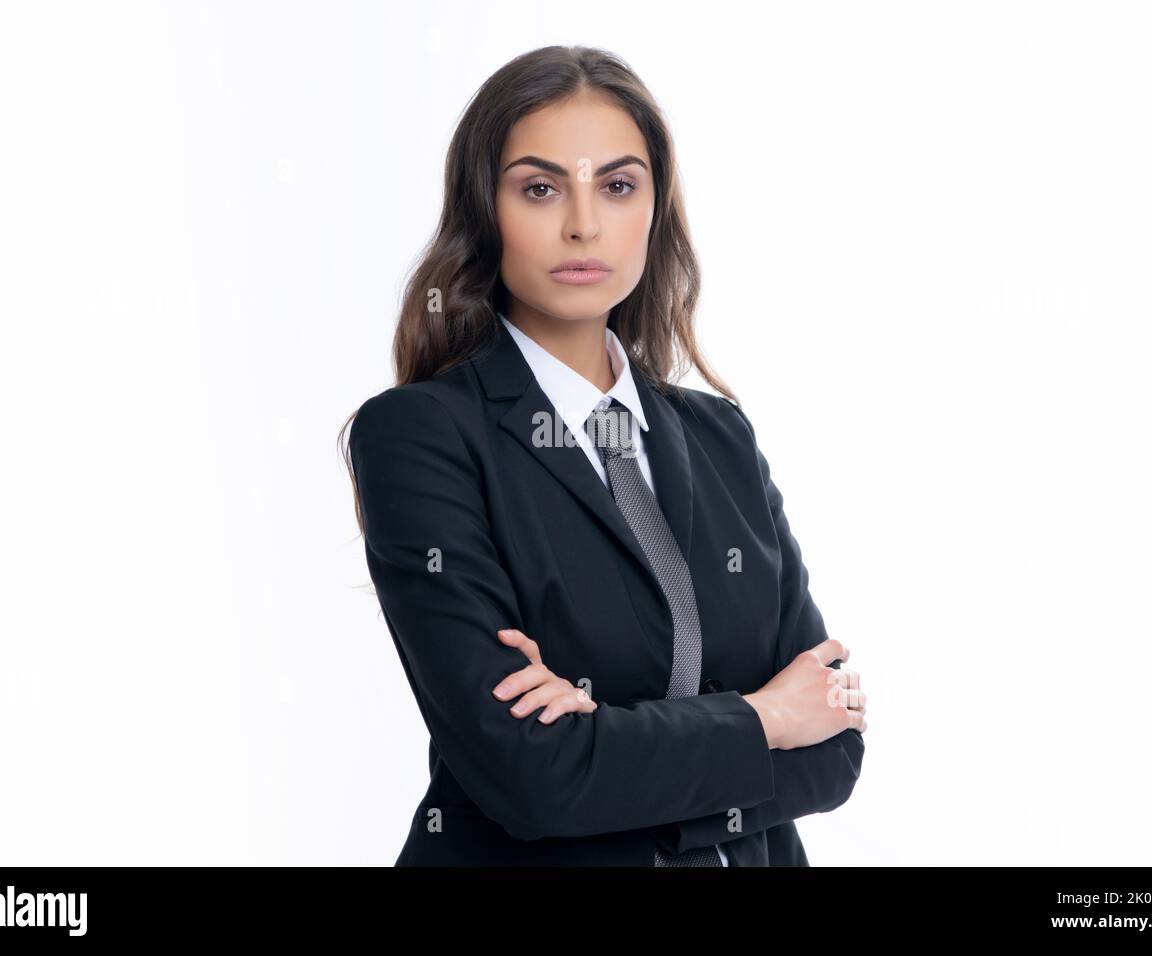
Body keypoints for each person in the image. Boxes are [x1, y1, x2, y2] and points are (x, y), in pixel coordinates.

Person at [339, 45, 867, 866]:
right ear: (487, 209)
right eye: (541, 188)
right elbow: (530, 775)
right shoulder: (422, 436)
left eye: (617, 186)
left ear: (655, 209)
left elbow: (833, 749)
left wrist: (612, 746)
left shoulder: (720, 436)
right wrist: (763, 718)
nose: (582, 224)